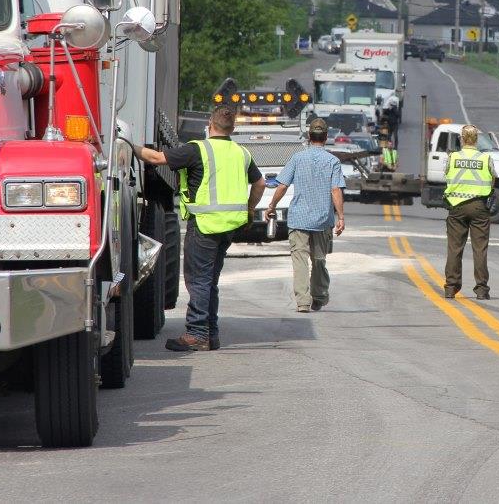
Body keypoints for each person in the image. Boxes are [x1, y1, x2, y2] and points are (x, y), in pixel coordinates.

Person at [134, 105, 265, 351]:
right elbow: (259, 183)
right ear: (232, 128)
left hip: (204, 226)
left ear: (210, 125)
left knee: (198, 281)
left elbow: (156, 158)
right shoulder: (242, 153)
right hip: (229, 228)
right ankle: (210, 334)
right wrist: (249, 209)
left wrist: (126, 142)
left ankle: (197, 333)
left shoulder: (198, 150)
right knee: (210, 281)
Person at [266, 117, 345, 313]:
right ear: (326, 138)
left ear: (309, 136)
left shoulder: (297, 158)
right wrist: (341, 217)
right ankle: (318, 296)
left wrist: (272, 205)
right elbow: (336, 190)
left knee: (299, 260)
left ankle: (303, 302)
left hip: (299, 219)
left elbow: (282, 185)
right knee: (319, 260)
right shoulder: (333, 161)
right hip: (322, 220)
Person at [443, 125, 495, 300]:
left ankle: (451, 288)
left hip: (457, 206)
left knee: (454, 248)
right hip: (479, 207)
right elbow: (492, 180)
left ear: (462, 139)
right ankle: (481, 289)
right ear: (477, 140)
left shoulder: (453, 157)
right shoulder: (485, 158)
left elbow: (447, 176)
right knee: (479, 249)